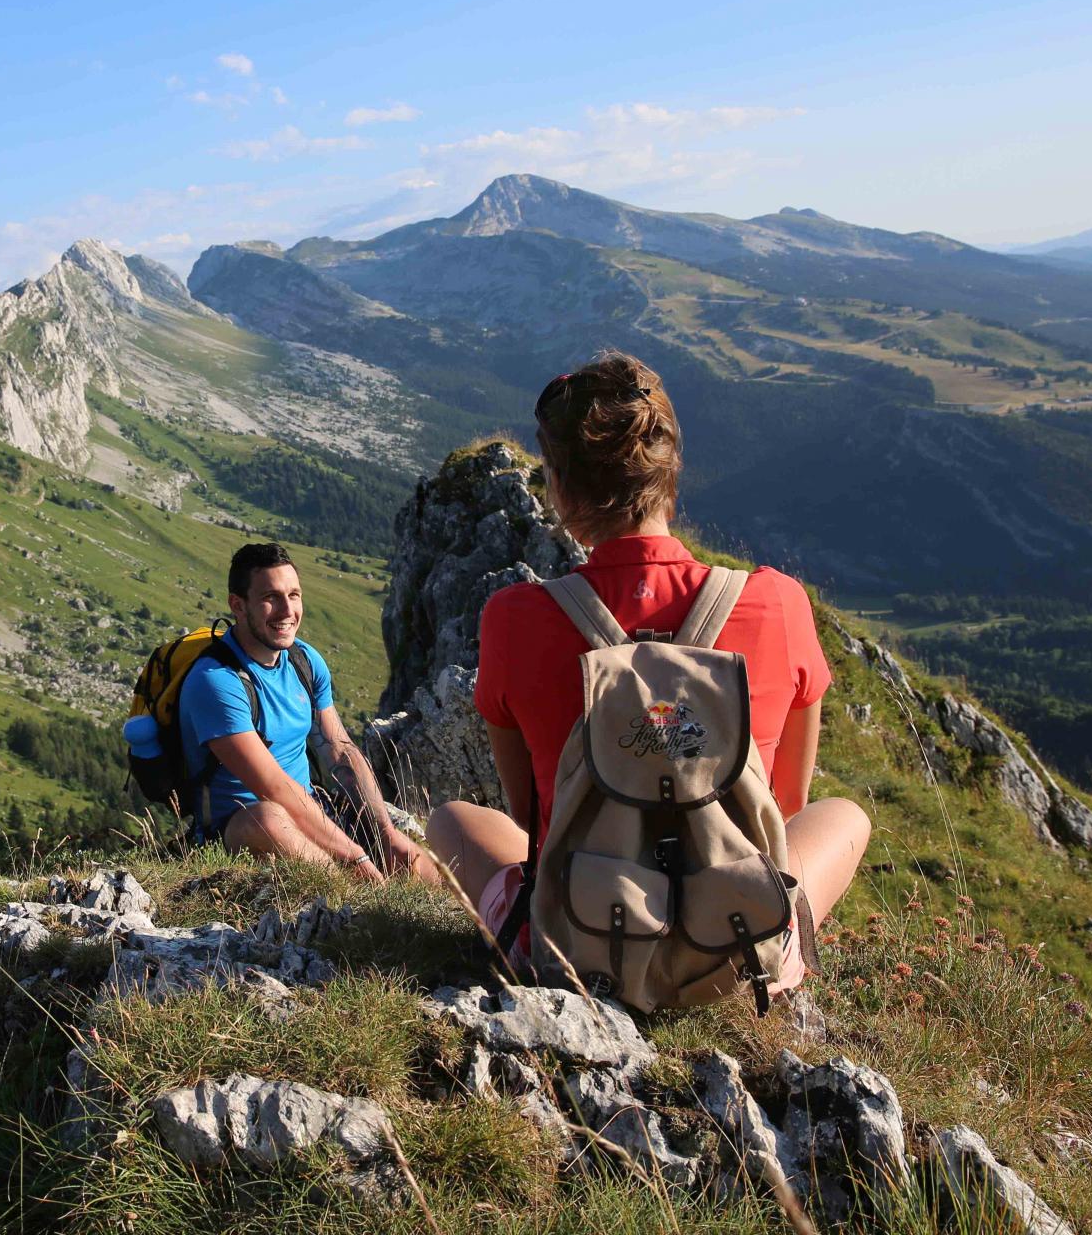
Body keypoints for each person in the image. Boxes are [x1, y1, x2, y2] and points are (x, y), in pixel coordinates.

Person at [425, 352, 869, 991]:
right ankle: (779, 960)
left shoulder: (514, 617)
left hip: (577, 944)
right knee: (843, 815)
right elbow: (787, 806)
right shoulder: (777, 602)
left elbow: (530, 817)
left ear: (558, 485)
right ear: (671, 470)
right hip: (736, 947)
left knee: (450, 821)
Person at [181, 542, 439, 885]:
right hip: (243, 824)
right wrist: (353, 854)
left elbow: (339, 749)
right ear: (237, 606)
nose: (287, 610)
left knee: (413, 862)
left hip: (311, 808)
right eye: (270, 597)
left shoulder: (303, 661)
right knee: (268, 818)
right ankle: (346, 890)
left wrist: (385, 834)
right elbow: (273, 786)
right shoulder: (216, 682)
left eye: (294, 594)